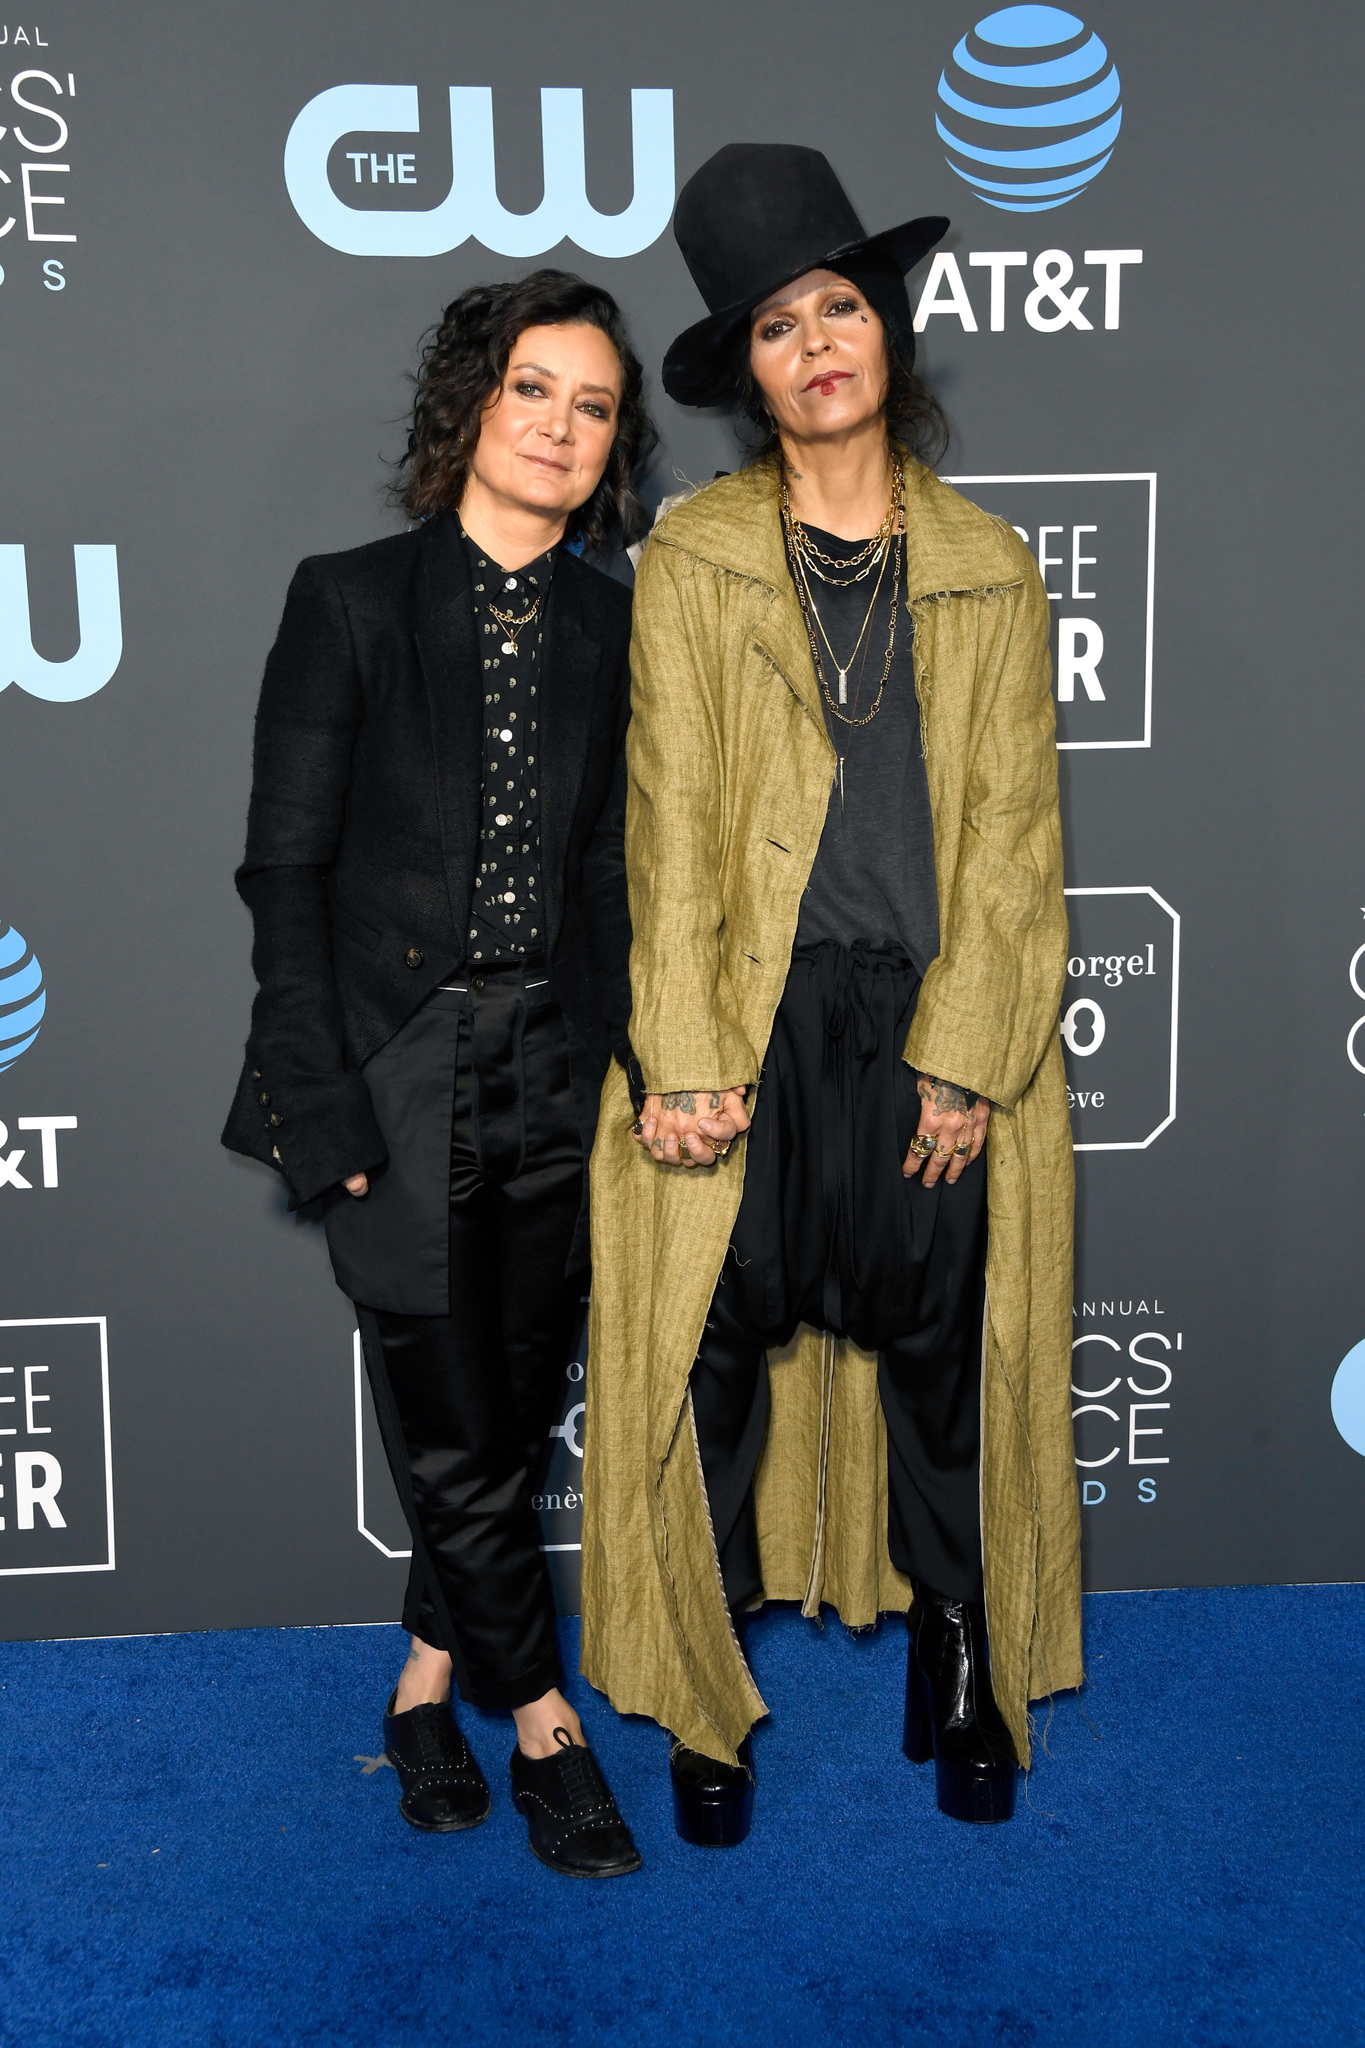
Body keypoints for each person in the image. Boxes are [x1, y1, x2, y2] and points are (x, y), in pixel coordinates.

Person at [581, 145, 1081, 1846]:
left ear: (888, 331)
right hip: (749, 1015)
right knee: (716, 1354)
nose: (816, 345)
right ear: (749, 372)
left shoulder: (990, 564)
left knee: (943, 1353)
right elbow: (667, 832)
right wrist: (690, 1056)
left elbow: (1017, 835)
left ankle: (958, 1654)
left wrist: (971, 1056)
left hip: (926, 1016)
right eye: (777, 325)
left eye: (839, 308)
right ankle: (711, 1697)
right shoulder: (695, 558)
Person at [223, 270, 651, 1879]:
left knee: (513, 1395)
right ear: (471, 405)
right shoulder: (347, 597)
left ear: (616, 446)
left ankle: (421, 1690)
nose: (557, 426)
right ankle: (542, 1723)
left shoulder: (621, 621)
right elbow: (284, 872)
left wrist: (637, 1061)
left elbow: (612, 871)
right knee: (455, 1423)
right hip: (393, 1065)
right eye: (532, 389)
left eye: (592, 405)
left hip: (561, 1065)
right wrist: (313, 1101)